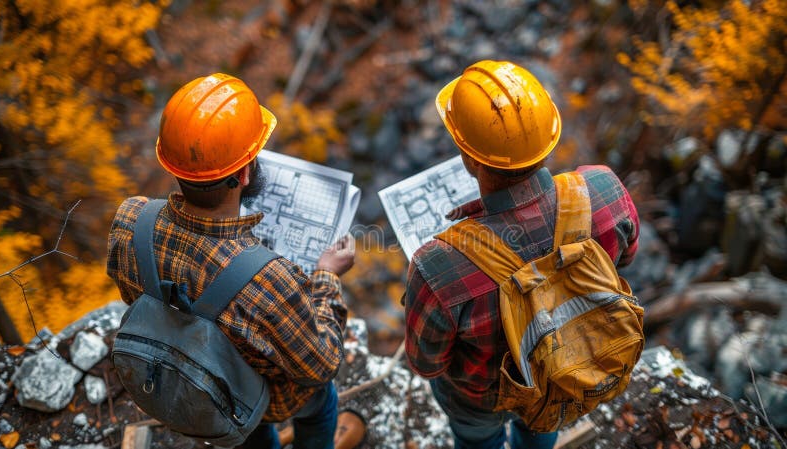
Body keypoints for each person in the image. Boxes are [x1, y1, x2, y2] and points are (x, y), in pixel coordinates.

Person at [107, 73, 355, 449]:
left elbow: (136, 297)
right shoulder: (269, 281)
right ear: (243, 173)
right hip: (266, 398)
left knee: (248, 434)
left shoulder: (129, 221)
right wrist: (326, 276)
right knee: (323, 402)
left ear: (172, 165)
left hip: (205, 384)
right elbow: (321, 365)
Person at [403, 60, 640, 449]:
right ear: (549, 135)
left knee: (478, 440)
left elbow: (426, 364)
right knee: (544, 421)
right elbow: (625, 261)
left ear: (470, 159)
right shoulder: (605, 190)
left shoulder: (438, 267)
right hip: (570, 371)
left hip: (482, 399)